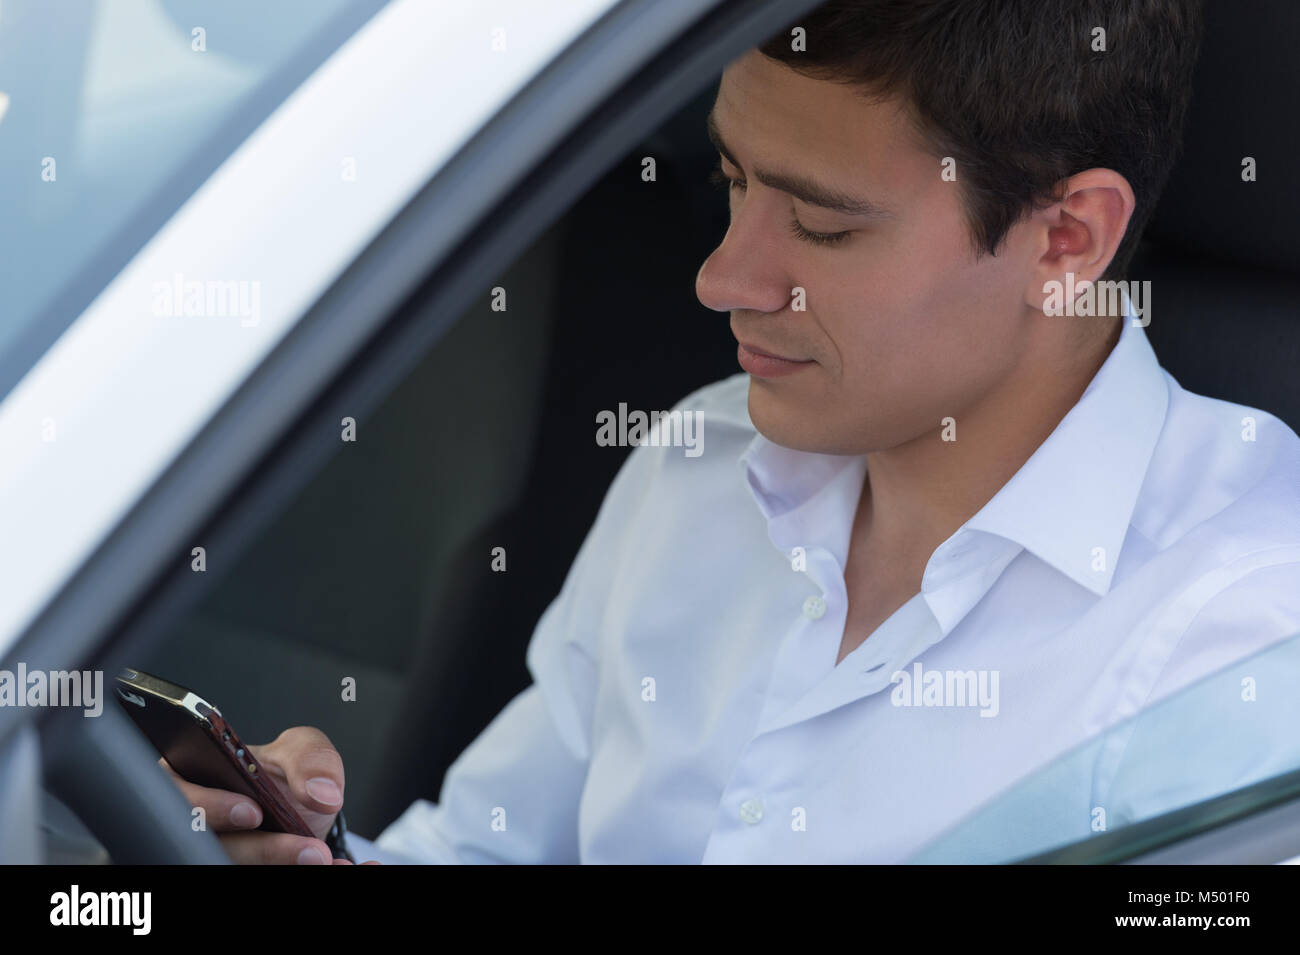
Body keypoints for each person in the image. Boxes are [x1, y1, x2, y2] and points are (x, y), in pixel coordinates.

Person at [175, 0, 1300, 863]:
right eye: (731, 181)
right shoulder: (699, 468)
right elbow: (491, 847)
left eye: (820, 224)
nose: (721, 277)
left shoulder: (1245, 638)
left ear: (1066, 240)